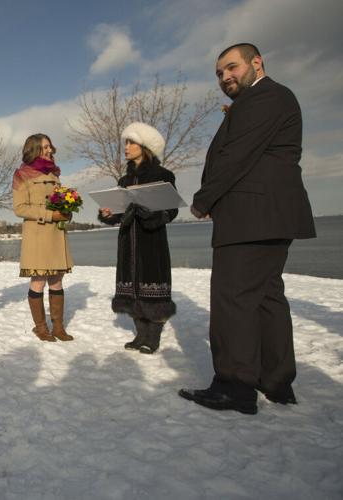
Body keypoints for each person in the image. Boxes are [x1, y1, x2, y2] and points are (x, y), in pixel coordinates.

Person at [179, 43, 316, 415]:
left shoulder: (266, 97)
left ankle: (235, 386)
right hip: (267, 214)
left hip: (250, 215)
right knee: (267, 297)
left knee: (234, 299)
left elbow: (236, 154)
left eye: (232, 67)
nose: (225, 77)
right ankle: (275, 380)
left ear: (257, 62)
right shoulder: (267, 99)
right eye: (220, 73)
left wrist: (204, 199)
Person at [98, 123, 177, 354]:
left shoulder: (163, 175)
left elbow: (171, 211)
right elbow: (120, 213)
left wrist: (152, 215)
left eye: (131, 142)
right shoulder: (124, 181)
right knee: (131, 290)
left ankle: (152, 337)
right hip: (128, 242)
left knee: (152, 289)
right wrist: (109, 214)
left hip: (151, 241)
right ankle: (140, 334)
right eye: (126, 142)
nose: (126, 147)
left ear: (145, 146)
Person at [13, 134, 74, 342]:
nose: (50, 150)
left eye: (50, 146)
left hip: (56, 234)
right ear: (34, 149)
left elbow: (60, 201)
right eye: (45, 147)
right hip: (37, 234)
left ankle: (58, 327)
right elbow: (19, 208)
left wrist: (67, 211)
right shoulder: (22, 174)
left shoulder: (55, 174)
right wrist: (50, 214)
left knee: (57, 280)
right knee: (38, 280)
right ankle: (40, 327)